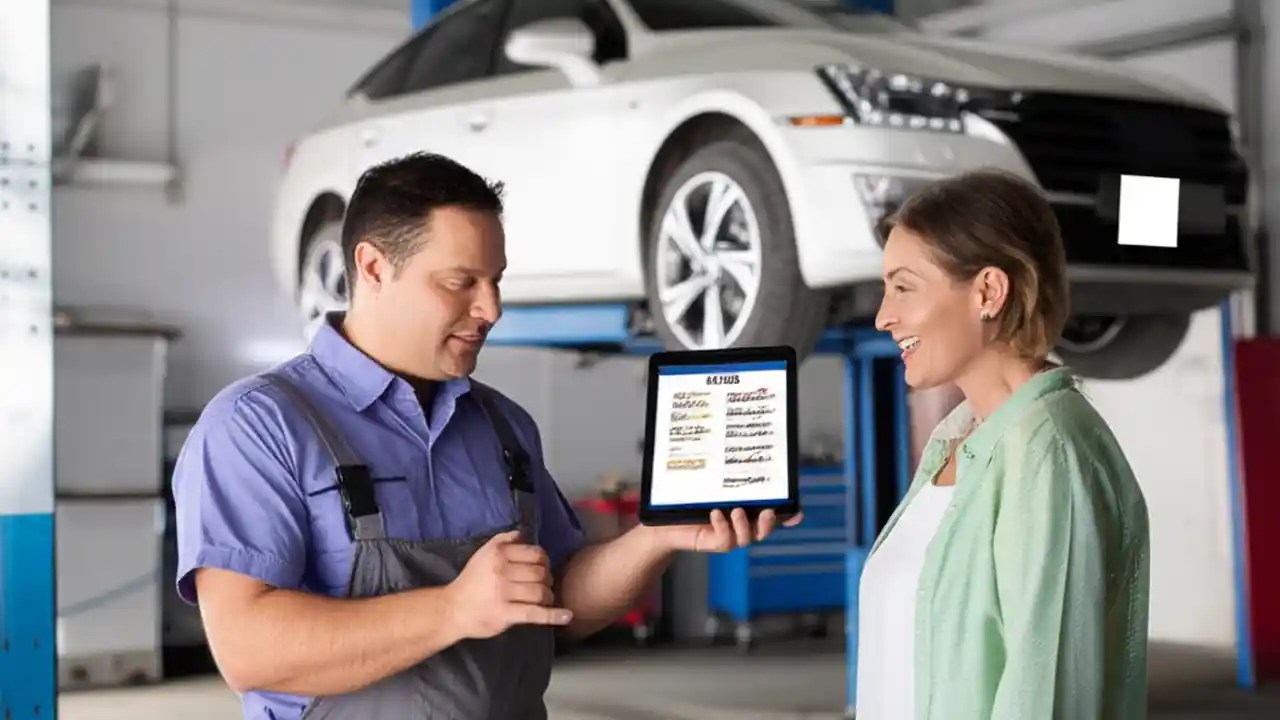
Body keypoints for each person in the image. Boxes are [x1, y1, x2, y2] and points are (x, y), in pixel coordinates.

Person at [171, 152, 800, 720]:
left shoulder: (503, 426)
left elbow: (557, 601)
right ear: (373, 267)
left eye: (496, 280)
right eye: (460, 282)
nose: (491, 308)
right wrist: (452, 609)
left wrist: (657, 537)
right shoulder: (260, 427)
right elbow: (248, 649)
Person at [855, 169, 1151, 719]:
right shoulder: (957, 440)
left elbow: (1047, 695)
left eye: (903, 287)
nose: (882, 316)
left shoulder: (1048, 452)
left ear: (988, 291)